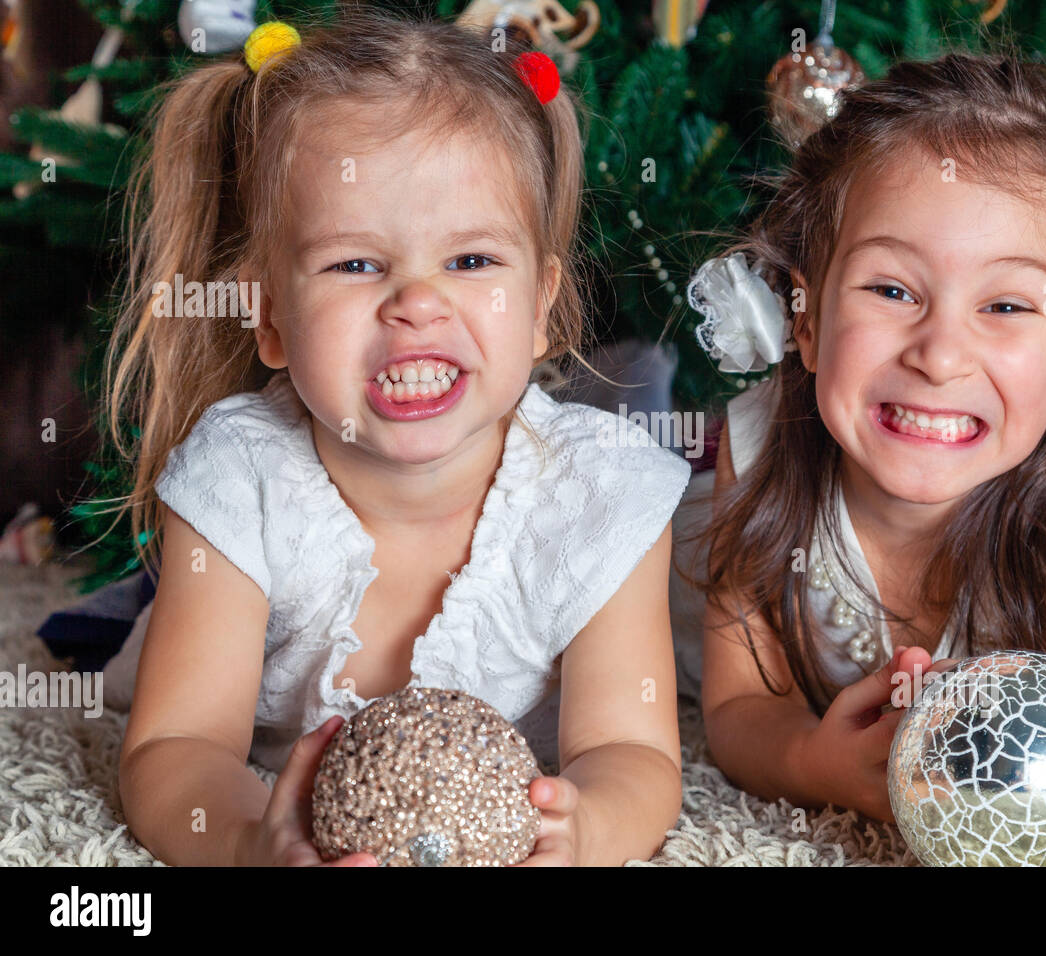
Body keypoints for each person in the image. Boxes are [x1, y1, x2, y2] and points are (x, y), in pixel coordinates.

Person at [102, 10, 689, 866]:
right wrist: (249, 840)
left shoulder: (598, 494)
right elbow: (177, 747)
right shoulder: (242, 477)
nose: (417, 303)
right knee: (143, 679)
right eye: (355, 264)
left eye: (471, 261)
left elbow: (630, 751)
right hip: (234, 696)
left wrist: (587, 828)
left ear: (540, 307)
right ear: (270, 317)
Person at [671, 53, 1046, 824]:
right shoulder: (759, 443)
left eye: (1006, 306)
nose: (938, 357)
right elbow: (738, 707)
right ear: (806, 317)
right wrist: (812, 762)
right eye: (891, 289)